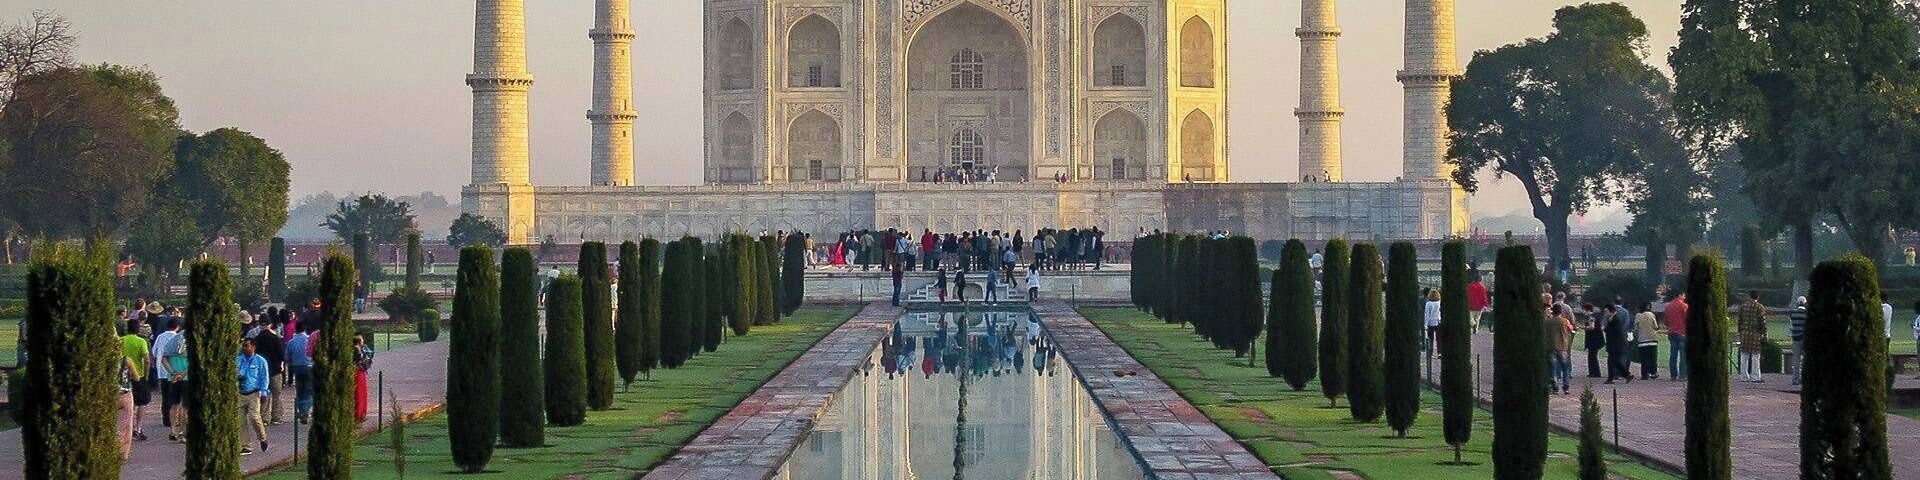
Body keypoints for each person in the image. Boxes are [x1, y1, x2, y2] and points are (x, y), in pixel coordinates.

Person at [151, 315, 188, 442]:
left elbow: (162, 357)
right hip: (186, 377)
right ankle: (182, 432)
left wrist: (172, 372)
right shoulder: (191, 339)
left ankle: (172, 430)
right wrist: (183, 374)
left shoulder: (173, 340)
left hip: (171, 376)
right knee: (185, 406)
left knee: (173, 404)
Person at [238, 338, 271, 455]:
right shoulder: (238, 360)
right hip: (241, 393)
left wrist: (264, 392)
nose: (244, 348)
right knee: (240, 420)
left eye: (247, 346)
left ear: (253, 347)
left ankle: (262, 438)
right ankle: (246, 446)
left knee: (254, 417)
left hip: (254, 393)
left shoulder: (260, 361)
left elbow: (264, 377)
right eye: (243, 346)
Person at [119, 319, 151, 442]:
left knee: (128, 404)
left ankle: (129, 427)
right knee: (142, 402)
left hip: (123, 375)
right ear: (138, 329)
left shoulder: (121, 341)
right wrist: (146, 374)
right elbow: (147, 359)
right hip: (139, 375)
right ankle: (138, 428)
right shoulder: (141, 341)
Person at [253, 319, 287, 424]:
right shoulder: (275, 338)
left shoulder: (257, 339)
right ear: (270, 325)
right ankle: (275, 417)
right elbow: (282, 354)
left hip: (262, 371)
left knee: (264, 394)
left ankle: (264, 418)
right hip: (275, 369)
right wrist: (281, 364)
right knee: (276, 395)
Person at [1736, 291, 1768, 382]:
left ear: (1749, 296)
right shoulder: (1760, 307)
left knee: (1744, 355)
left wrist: (1740, 332)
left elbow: (1740, 320)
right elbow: (1763, 322)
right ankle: (1755, 377)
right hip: (1755, 334)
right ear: (1757, 298)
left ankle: (1743, 376)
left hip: (1744, 333)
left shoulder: (1743, 307)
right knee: (1755, 355)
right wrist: (1765, 335)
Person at [286, 326, 315, 424]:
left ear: (295, 330)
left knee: (300, 390)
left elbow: (287, 357)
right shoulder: (308, 339)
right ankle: (305, 410)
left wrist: (291, 363)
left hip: (296, 367)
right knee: (309, 391)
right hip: (308, 366)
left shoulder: (291, 342)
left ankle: (302, 411)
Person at [1547, 303, 1574, 394]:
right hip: (1562, 347)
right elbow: (1571, 329)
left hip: (1550, 346)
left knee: (1552, 368)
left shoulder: (1547, 322)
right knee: (1565, 368)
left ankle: (1555, 386)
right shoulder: (1564, 321)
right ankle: (1566, 387)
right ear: (1561, 311)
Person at [1664, 293, 1690, 380]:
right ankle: (1682, 375)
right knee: (1683, 355)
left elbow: (1666, 321)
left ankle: (1673, 375)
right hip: (1682, 333)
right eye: (1684, 295)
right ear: (1679, 295)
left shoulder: (1668, 307)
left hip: (1672, 333)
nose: (1685, 297)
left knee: (1673, 355)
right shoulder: (1684, 306)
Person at [1635, 303, 1661, 380]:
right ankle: (1653, 373)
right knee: (1653, 358)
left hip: (1642, 341)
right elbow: (1655, 326)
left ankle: (1644, 374)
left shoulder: (1638, 316)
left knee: (1644, 359)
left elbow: (1636, 328)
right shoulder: (1651, 315)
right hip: (1652, 340)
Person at [354, 334, 375, 421]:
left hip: (357, 372)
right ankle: (360, 413)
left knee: (358, 393)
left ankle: (358, 413)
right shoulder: (360, 349)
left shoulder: (357, 349)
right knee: (360, 393)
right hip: (360, 373)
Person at [1583, 303, 1606, 378]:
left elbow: (1592, 327)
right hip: (1598, 339)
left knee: (1592, 356)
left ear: (1587, 310)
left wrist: (1583, 327)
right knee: (1593, 356)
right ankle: (1595, 372)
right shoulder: (1596, 316)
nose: (1583, 312)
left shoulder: (1591, 317)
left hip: (1593, 340)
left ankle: (1594, 373)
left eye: (1583, 310)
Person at [1790, 296, 1809, 385]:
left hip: (1795, 338)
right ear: (1805, 303)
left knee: (1796, 360)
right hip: (1805, 338)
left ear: (1797, 303)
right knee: (1805, 360)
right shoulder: (1807, 313)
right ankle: (1804, 378)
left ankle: (1795, 379)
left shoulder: (1793, 313)